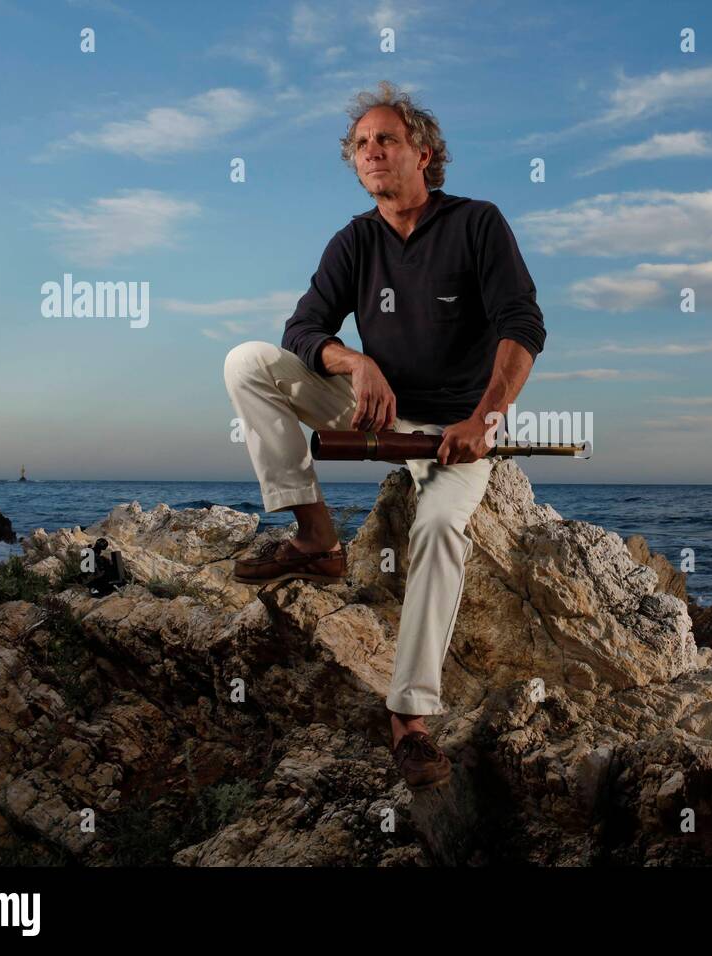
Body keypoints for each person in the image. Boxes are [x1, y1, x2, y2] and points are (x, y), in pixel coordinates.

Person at [223, 80, 545, 791]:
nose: (371, 152)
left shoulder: (478, 224)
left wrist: (484, 420)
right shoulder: (354, 241)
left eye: (386, 140)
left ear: (424, 154)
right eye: (361, 145)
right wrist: (354, 361)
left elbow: (524, 326)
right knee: (247, 363)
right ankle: (316, 540)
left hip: (456, 431)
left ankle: (409, 720)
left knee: (437, 531)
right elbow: (301, 331)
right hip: (374, 416)